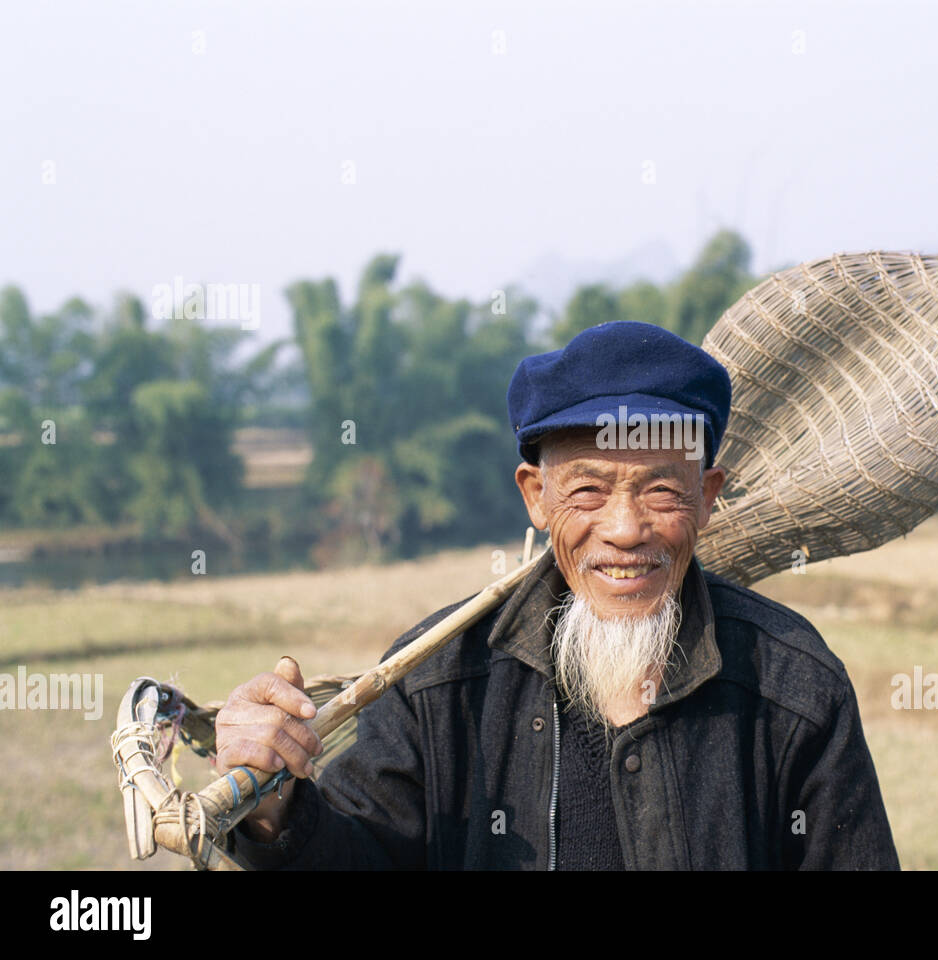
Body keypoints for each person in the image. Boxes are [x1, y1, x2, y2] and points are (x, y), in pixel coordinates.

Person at [215, 321, 899, 870]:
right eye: (588, 491)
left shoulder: (794, 687)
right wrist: (274, 811)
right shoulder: (438, 681)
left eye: (662, 490)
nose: (626, 530)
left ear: (707, 499)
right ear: (536, 497)